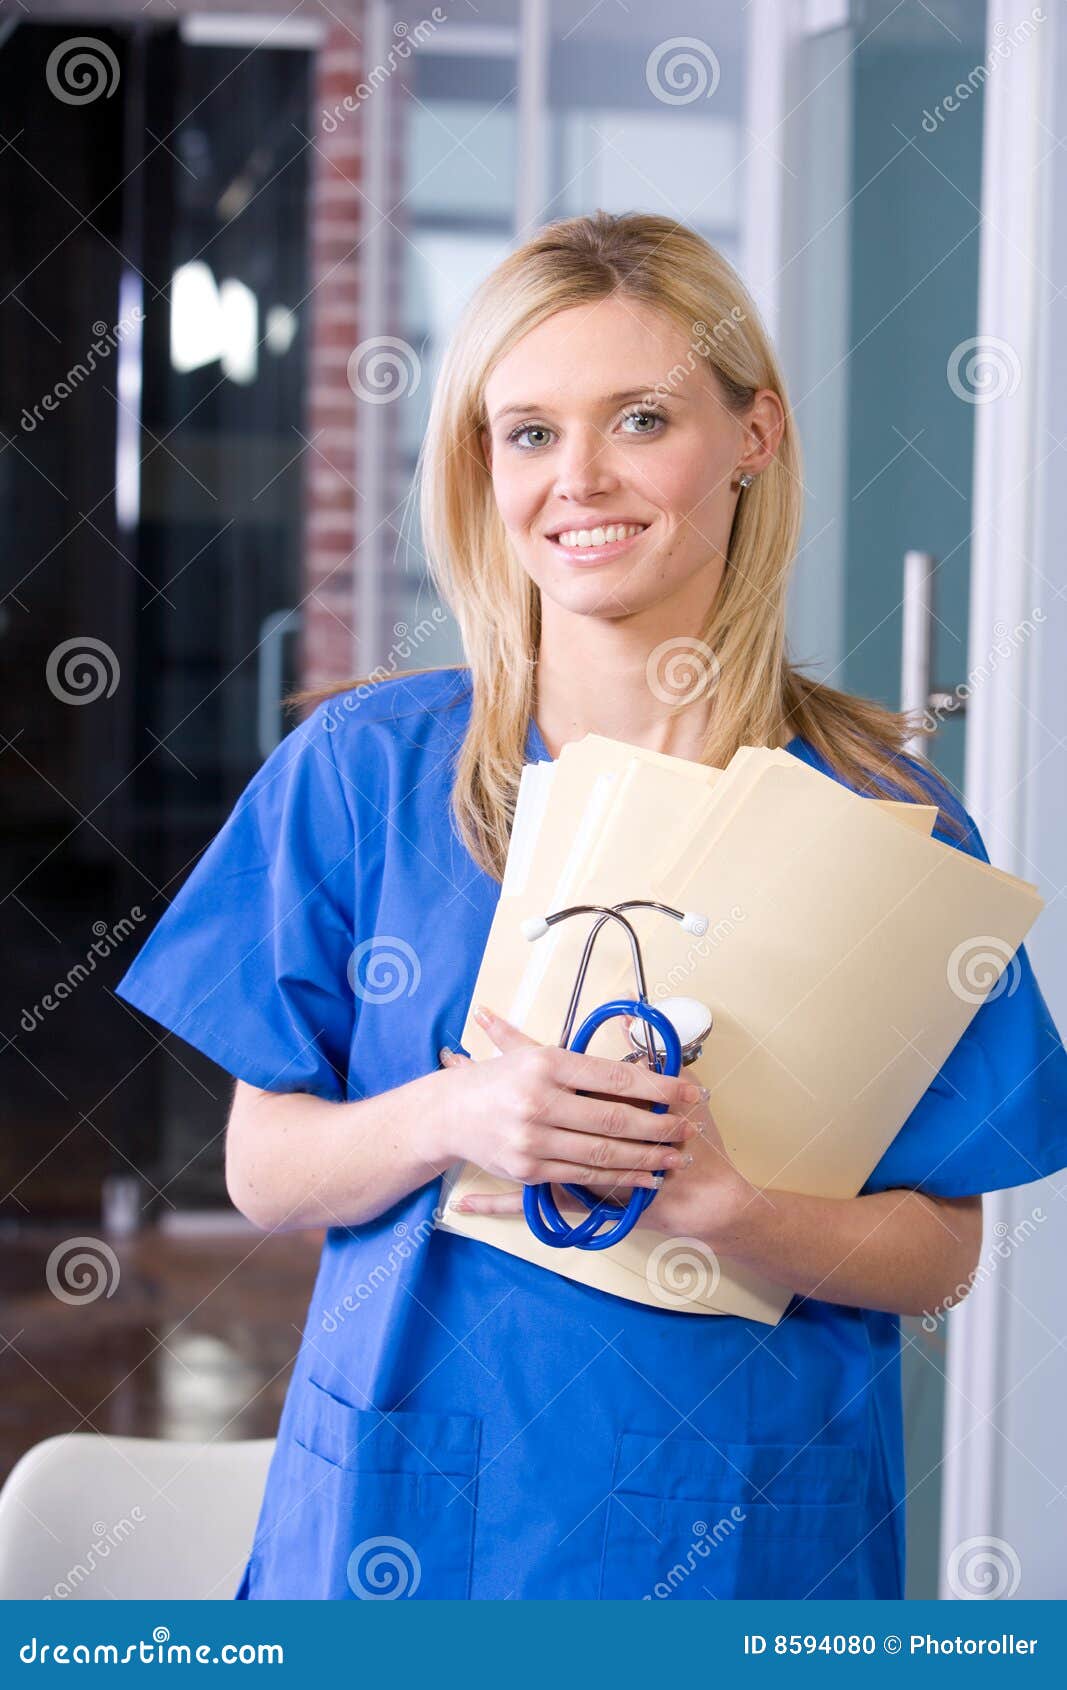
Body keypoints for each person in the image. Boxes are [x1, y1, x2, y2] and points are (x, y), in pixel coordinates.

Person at [115, 211, 1067, 1601]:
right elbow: (264, 1168)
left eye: (639, 418)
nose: (582, 480)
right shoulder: (367, 773)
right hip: (409, 1508)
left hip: (747, 1524)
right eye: (530, 433)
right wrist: (452, 1116)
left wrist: (731, 1204)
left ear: (756, 436)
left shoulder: (879, 813)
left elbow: (940, 1252)